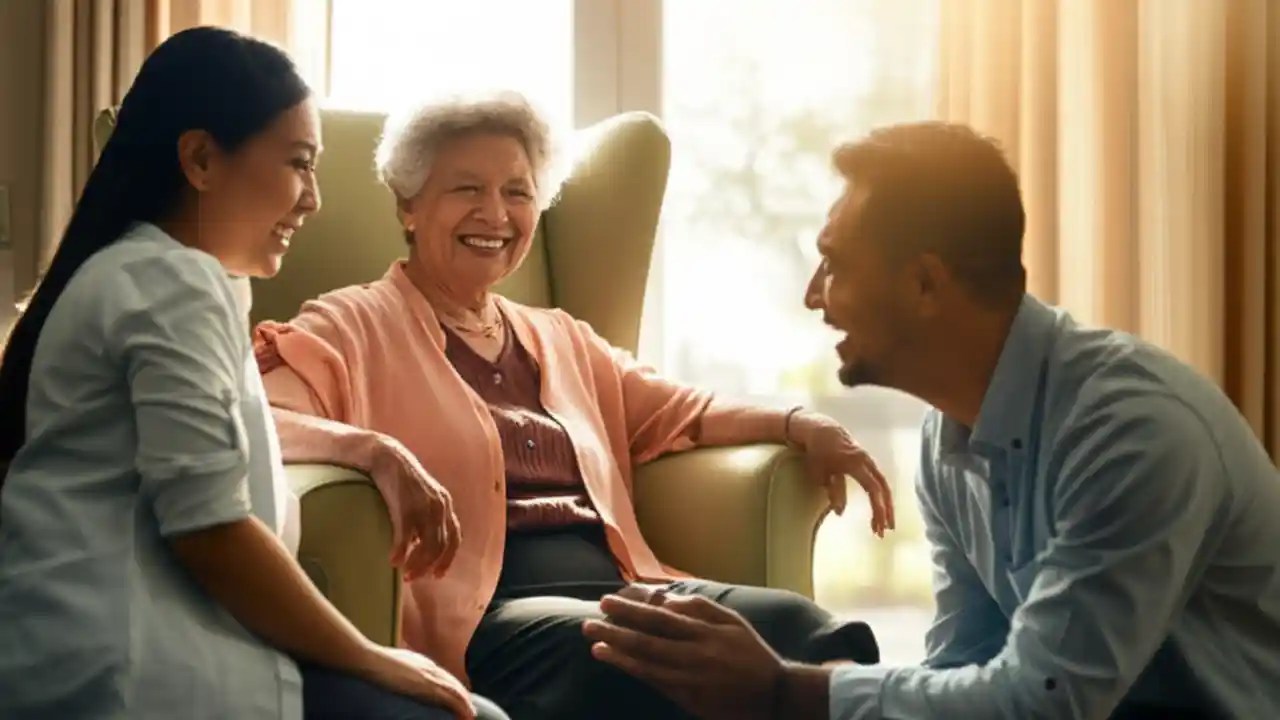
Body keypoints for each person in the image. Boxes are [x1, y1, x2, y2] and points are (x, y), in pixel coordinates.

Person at [581, 121, 1280, 719]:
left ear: (924, 283)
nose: (812, 297)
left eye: (833, 265)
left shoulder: (1131, 432)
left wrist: (784, 691)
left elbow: (1044, 703)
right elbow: (965, 666)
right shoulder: (947, 438)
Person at [252, 90, 892, 719]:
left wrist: (799, 422)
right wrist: (374, 450)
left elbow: (682, 411)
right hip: (490, 614)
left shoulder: (559, 336)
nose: (495, 214)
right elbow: (259, 420)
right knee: (634, 658)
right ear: (409, 207)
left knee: (798, 626)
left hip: (628, 588)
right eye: (466, 190)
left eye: (518, 192)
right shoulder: (349, 326)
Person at [0, 27, 505, 720]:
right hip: (137, 668)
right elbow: (207, 526)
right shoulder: (171, 283)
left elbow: (214, 438)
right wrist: (369, 654)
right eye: (299, 163)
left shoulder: (144, 274)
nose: (313, 200)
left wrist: (371, 447)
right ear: (201, 159)